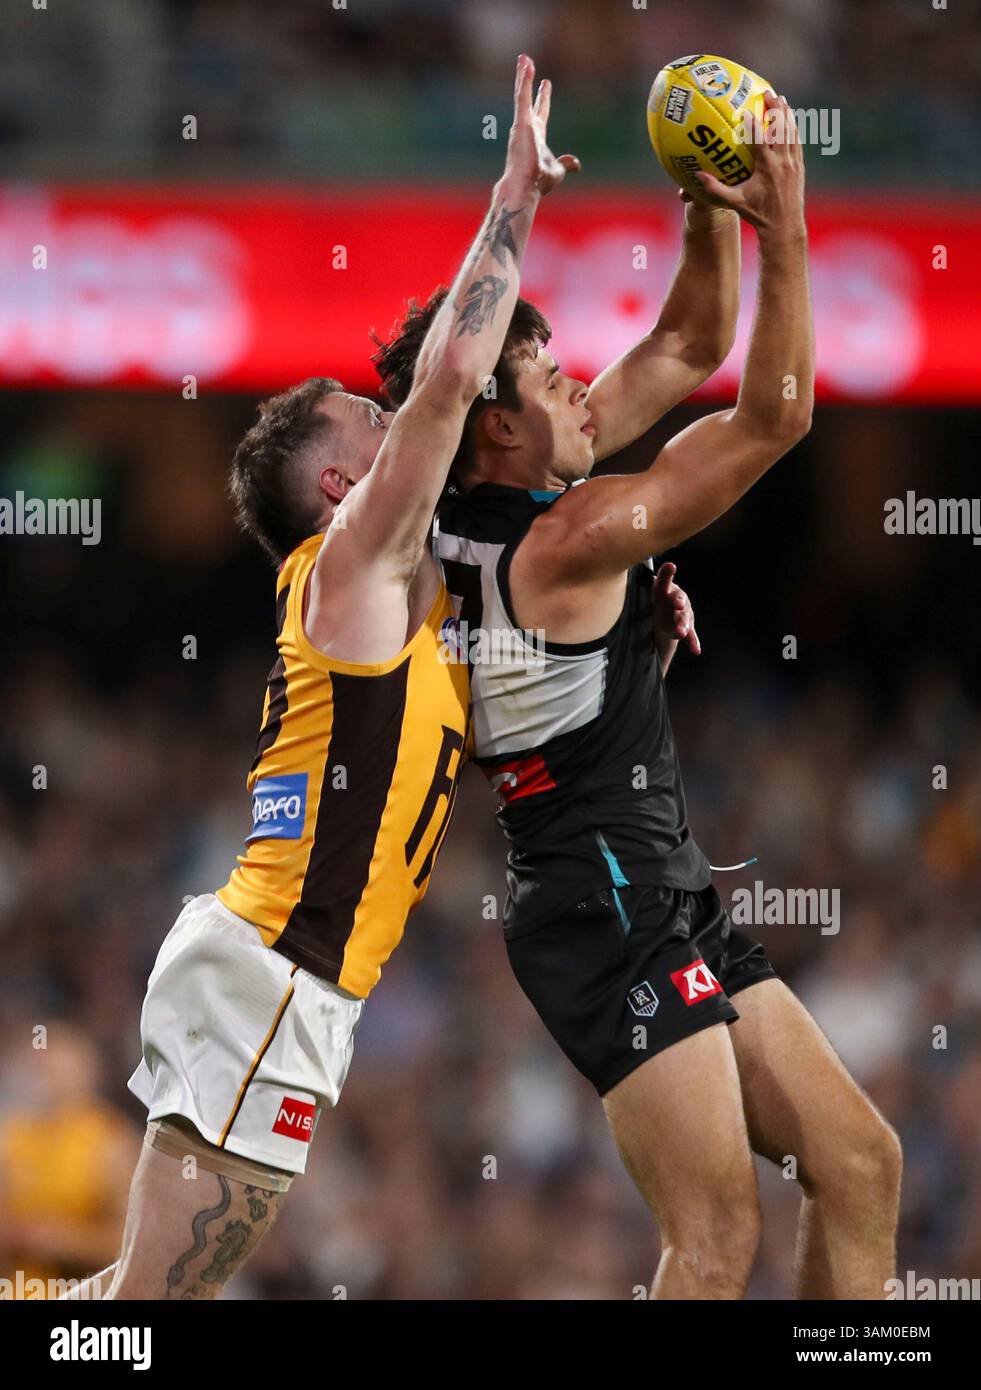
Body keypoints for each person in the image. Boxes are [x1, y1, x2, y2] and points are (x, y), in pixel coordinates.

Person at [67, 55, 579, 1301]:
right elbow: (456, 378)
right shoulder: (348, 565)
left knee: (138, 1300)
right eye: (373, 420)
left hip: (288, 977)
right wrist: (513, 195)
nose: (400, 419)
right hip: (275, 971)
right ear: (347, 492)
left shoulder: (392, 592)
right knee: (148, 1313)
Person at [374, 93, 902, 1300]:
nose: (579, 392)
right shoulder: (570, 536)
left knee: (861, 1163)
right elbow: (775, 413)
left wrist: (702, 204)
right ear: (495, 425)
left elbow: (681, 345)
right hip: (604, 896)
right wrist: (784, 225)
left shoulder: (470, 503)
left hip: (642, 875)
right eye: (550, 378)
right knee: (713, 1239)